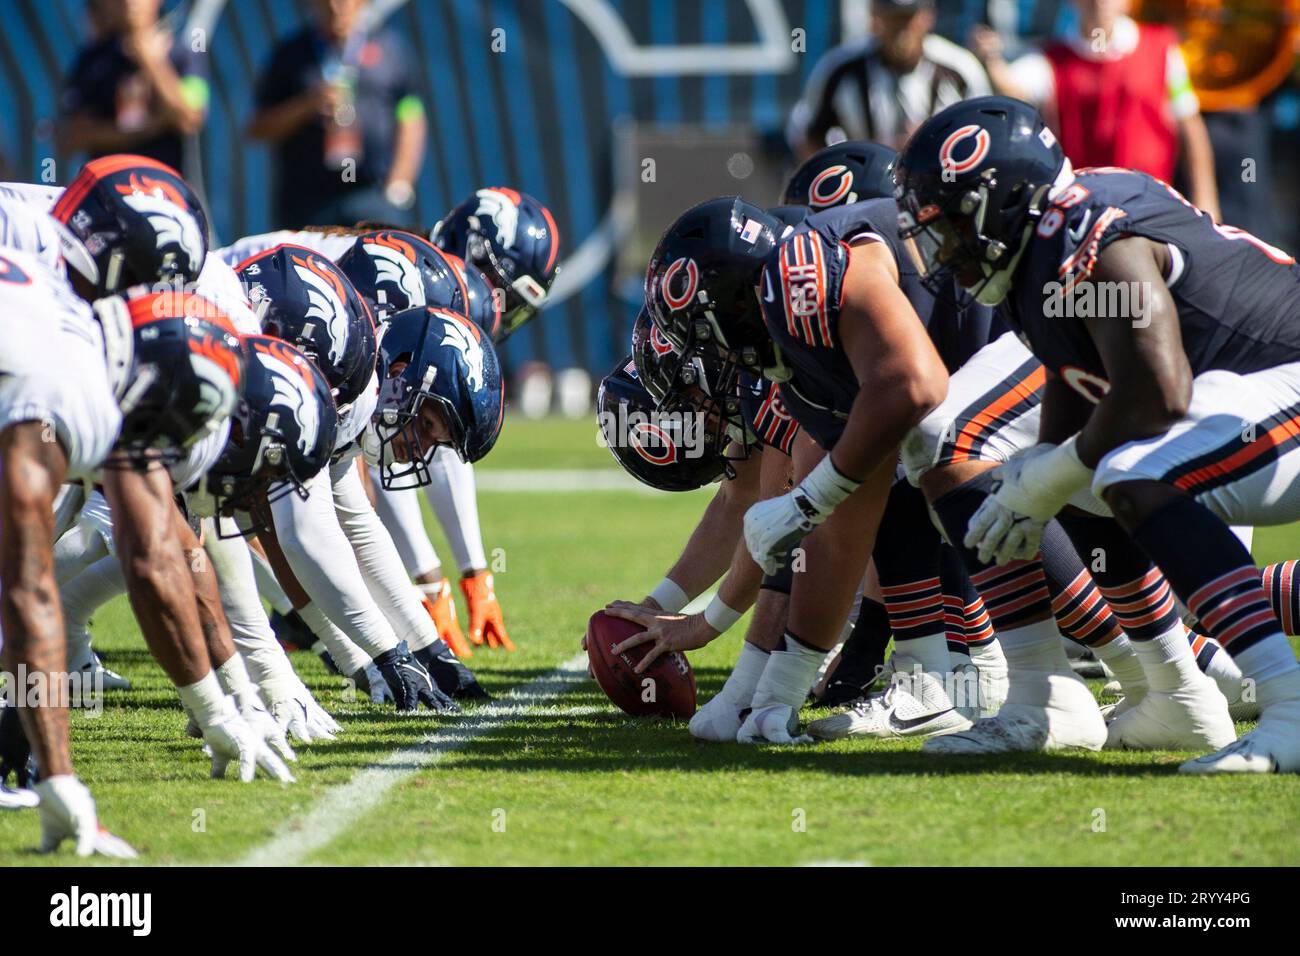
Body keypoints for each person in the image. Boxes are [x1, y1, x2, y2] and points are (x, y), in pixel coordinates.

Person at [894, 94, 1300, 771]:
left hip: (1279, 386)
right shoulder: (1036, 251)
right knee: (1093, 476)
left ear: (1003, 199)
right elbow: (1081, 384)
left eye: (954, 225)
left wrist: (1045, 477)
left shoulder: (1084, 228)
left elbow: (1158, 392)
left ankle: (1288, 707)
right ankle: (1177, 696)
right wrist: (1044, 474)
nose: (946, 253)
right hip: (1244, 405)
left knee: (1128, 472)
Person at [971, 0, 1220, 219]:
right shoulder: (1052, 59)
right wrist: (991, 60)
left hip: (1152, 205)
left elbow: (1190, 127)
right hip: (1084, 213)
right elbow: (1016, 92)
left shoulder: (1162, 49)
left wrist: (1205, 199)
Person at [247, 0, 426, 228]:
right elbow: (258, 126)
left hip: (371, 194)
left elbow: (411, 114)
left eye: (343, 1)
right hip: (307, 201)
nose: (335, 8)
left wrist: (400, 182)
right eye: (327, 1)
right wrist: (307, 104)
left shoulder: (391, 49)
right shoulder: (290, 54)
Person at [786, 0, 989, 156]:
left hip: (942, 187)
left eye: (907, 18)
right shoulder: (840, 69)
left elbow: (982, 136)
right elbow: (807, 135)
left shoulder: (960, 68)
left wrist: (934, 144)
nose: (901, 29)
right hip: (864, 191)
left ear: (928, 17)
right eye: (892, 17)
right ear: (875, 16)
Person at [59, 0, 209, 173]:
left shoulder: (185, 55)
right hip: (105, 185)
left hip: (162, 185)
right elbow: (69, 137)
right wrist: (148, 129)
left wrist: (149, 61)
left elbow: (190, 118)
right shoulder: (92, 59)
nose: (130, 2)